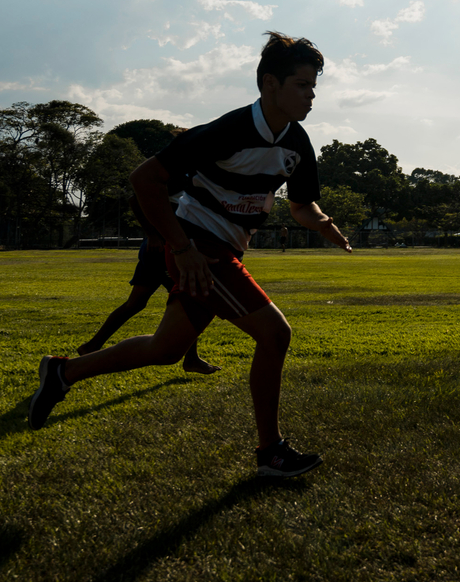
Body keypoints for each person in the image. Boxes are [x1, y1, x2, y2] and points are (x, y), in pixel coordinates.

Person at [28, 31, 353, 478]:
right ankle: (271, 453)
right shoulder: (227, 131)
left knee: (166, 349)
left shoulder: (297, 143)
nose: (311, 95)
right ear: (269, 84)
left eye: (314, 86)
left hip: (224, 248)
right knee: (275, 334)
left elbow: (301, 205)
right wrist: (182, 248)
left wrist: (323, 222)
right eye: (302, 85)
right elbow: (144, 179)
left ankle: (62, 373)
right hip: (202, 248)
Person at [76, 195, 219, 375]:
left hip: (162, 249)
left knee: (136, 304)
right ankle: (191, 360)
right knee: (188, 301)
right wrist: (152, 235)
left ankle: (92, 346)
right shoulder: (177, 181)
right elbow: (135, 199)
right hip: (164, 250)